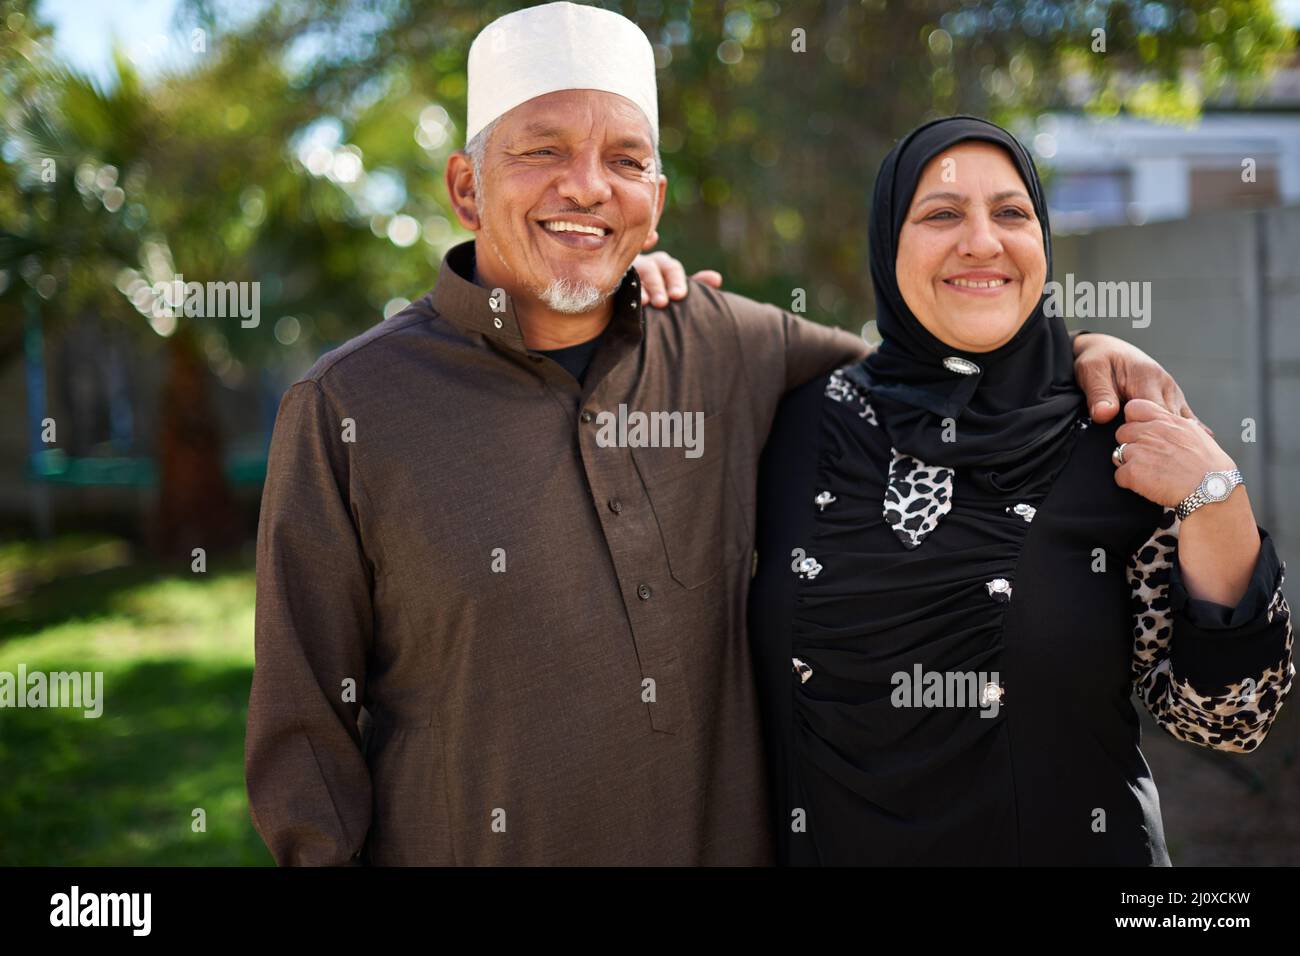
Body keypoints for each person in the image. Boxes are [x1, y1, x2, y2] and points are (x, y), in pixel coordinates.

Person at [245, 2, 1200, 866]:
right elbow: (305, 746)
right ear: (465, 185)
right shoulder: (347, 407)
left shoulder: (729, 346)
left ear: (654, 202)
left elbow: (932, 352)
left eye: (625, 160)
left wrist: (1085, 350)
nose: (587, 188)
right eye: (542, 151)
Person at [748, 115, 1295, 866]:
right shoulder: (797, 425)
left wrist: (1218, 499)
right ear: (886, 244)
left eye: (1011, 213)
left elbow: (1227, 724)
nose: (982, 240)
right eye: (941, 213)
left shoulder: (1113, 425)